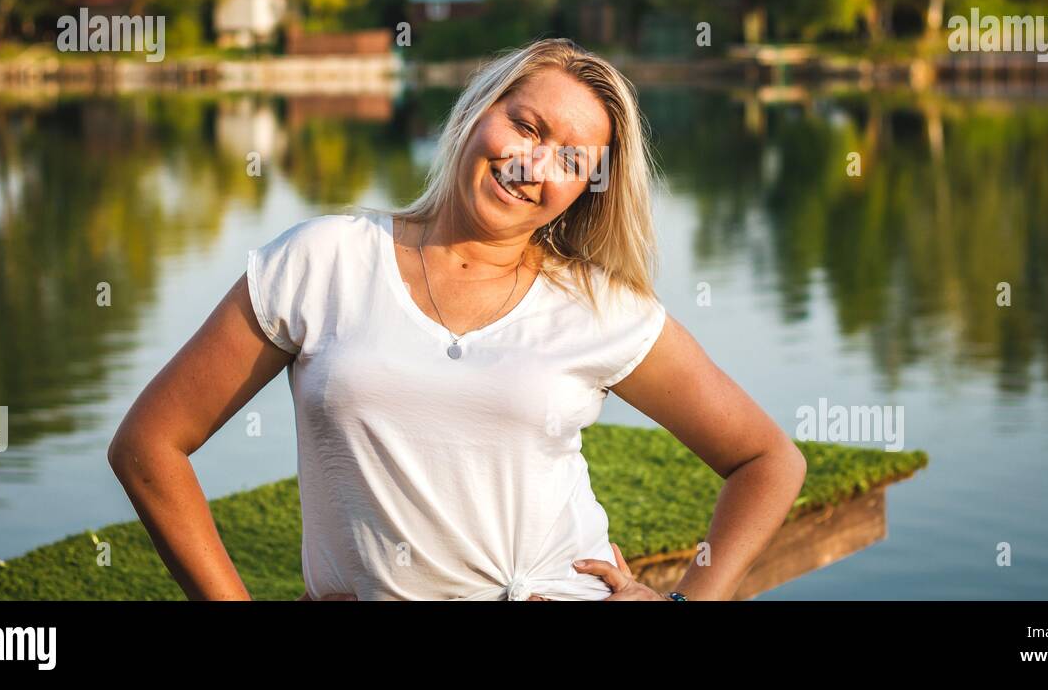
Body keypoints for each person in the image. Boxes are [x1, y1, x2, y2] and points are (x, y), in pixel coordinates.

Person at [108, 37, 807, 600]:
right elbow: (149, 446)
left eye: (569, 158)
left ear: (587, 190)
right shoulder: (324, 260)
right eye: (525, 126)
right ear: (479, 111)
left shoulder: (600, 307)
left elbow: (766, 460)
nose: (531, 164)